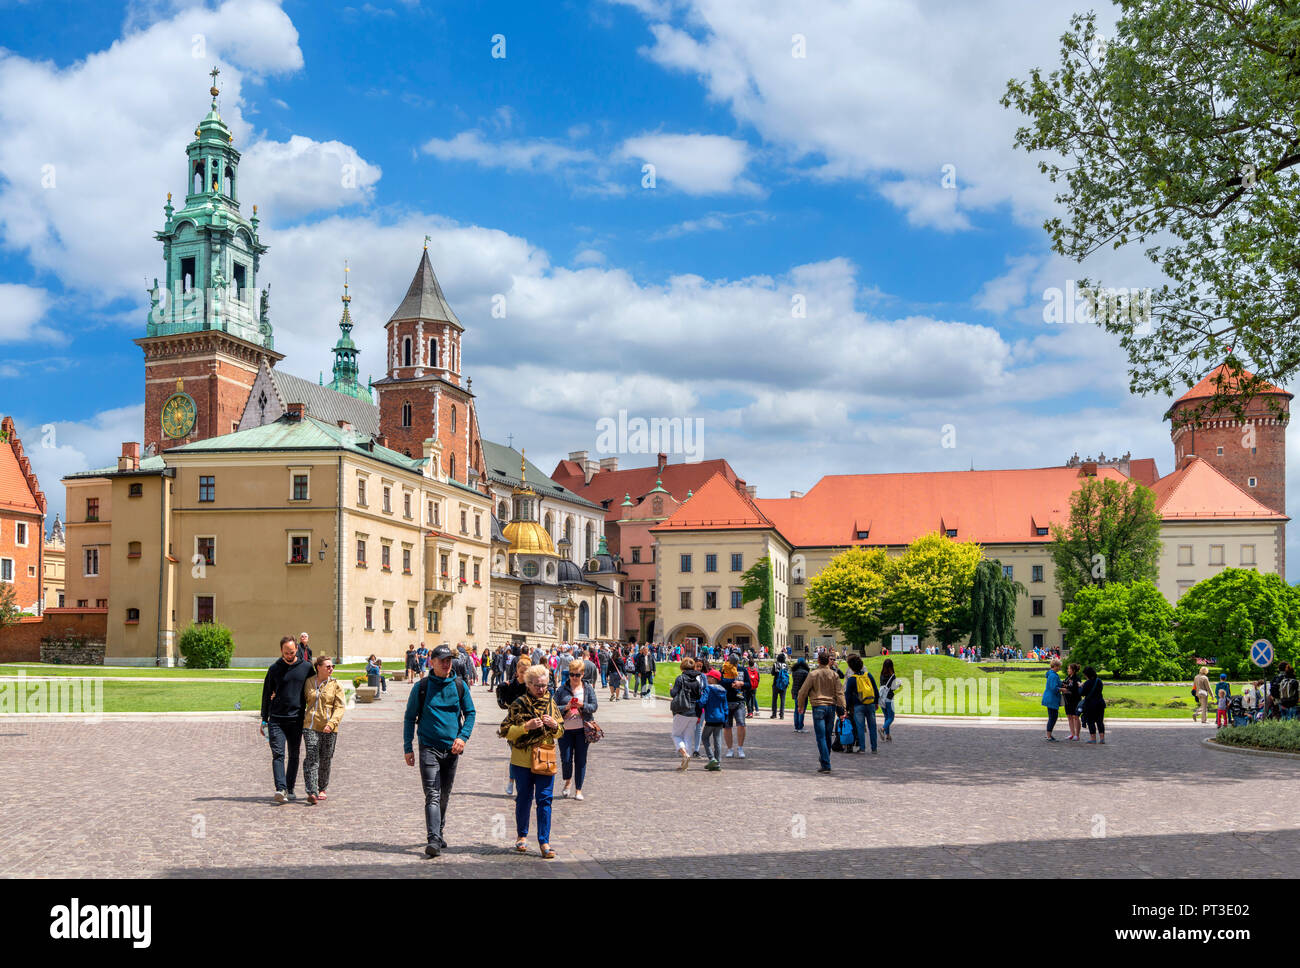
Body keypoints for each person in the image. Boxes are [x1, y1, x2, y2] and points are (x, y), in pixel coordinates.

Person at [403, 644, 475, 857]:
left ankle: (439, 831)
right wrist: (408, 747)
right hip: (428, 747)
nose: (446, 664)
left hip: (452, 750)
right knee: (432, 794)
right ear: (431, 662)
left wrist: (463, 737)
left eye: (449, 660)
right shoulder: (421, 687)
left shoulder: (460, 686)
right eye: (442, 660)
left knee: (444, 795)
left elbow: (470, 713)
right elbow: (409, 718)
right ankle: (433, 838)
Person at [499, 664, 563, 859]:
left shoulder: (551, 703)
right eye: (537, 685)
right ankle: (522, 836)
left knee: (545, 800)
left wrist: (554, 725)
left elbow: (560, 731)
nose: (541, 689)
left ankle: (544, 841)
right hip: (522, 759)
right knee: (524, 799)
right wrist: (525, 727)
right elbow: (504, 730)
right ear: (528, 684)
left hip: (545, 758)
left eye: (544, 685)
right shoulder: (518, 703)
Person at [260, 636, 318, 803]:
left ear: (296, 651)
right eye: (286, 652)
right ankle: (281, 788)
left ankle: (290, 787)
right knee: (278, 754)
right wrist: (264, 719)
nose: (289, 655)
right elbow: (266, 695)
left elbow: (313, 689)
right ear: (281, 651)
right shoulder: (274, 669)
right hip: (276, 719)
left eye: (292, 652)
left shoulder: (306, 668)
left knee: (294, 754)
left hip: (296, 719)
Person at [303, 655, 345, 805]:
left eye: (332, 666)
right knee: (312, 757)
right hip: (310, 726)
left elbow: (340, 707)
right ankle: (312, 791)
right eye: (328, 666)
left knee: (326, 759)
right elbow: (300, 700)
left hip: (329, 728)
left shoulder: (335, 685)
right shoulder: (308, 682)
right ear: (318, 667)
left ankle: (322, 788)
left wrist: (332, 723)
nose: (331, 669)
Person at [555, 659, 597, 800]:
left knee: (580, 759)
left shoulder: (587, 689)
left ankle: (578, 789)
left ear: (582, 674)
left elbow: (594, 706)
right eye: (572, 674)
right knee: (566, 759)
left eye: (577, 675)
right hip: (565, 730)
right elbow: (553, 708)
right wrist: (565, 708)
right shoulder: (562, 689)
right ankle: (568, 782)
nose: (574, 678)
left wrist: (582, 705)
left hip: (582, 730)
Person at [797, 651, 847, 773]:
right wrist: (843, 709)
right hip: (831, 706)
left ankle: (826, 763)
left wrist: (800, 705)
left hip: (818, 706)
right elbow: (839, 693)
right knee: (827, 735)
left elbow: (803, 691)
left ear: (818, 660)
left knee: (821, 737)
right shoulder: (834, 675)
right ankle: (825, 758)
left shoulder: (813, 674)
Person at [497, 655, 532, 796]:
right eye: (522, 671)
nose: (524, 674)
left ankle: (525, 782)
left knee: (528, 755)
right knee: (515, 754)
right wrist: (501, 688)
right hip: (514, 725)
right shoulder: (510, 685)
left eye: (527, 671)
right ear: (517, 671)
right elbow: (502, 703)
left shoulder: (532, 686)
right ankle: (512, 781)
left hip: (529, 724)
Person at [669, 657, 706, 769]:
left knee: (676, 734)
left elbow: (674, 693)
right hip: (694, 712)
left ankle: (684, 754)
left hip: (682, 710)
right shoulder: (697, 680)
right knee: (688, 736)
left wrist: (671, 690)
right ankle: (686, 761)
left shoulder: (680, 678)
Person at [844, 654, 880, 753]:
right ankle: (874, 748)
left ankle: (862, 748)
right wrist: (876, 702)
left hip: (858, 705)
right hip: (870, 703)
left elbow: (847, 695)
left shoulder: (852, 679)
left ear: (851, 667)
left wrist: (846, 709)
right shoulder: (868, 675)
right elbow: (875, 689)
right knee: (872, 727)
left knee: (860, 727)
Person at [698, 668, 730, 771]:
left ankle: (712, 758)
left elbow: (703, 701)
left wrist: (698, 702)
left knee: (704, 737)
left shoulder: (708, 689)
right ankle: (718, 762)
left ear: (713, 678)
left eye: (708, 677)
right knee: (718, 741)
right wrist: (725, 717)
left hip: (711, 718)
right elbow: (725, 706)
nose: (707, 678)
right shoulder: (723, 690)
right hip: (720, 718)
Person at [720, 660, 748, 758]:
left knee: (741, 724)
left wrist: (741, 683)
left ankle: (740, 748)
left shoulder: (743, 670)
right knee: (727, 726)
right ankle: (730, 749)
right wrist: (730, 684)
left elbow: (749, 685)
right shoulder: (723, 669)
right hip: (726, 701)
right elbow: (720, 683)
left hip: (739, 701)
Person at [1080, 666, 1107, 744]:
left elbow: (1082, 693)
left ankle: (1093, 738)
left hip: (1090, 704)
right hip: (1100, 703)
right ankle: (1102, 738)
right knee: (1100, 721)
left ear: (1087, 675)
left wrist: (1081, 686)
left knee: (1091, 721)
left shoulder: (1087, 683)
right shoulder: (1099, 681)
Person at [878, 658, 902, 741]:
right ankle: (883, 729)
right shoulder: (892, 675)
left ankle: (887, 735)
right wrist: (899, 685)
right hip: (889, 698)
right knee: (891, 717)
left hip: (881, 698)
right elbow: (893, 688)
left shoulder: (881, 674)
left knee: (886, 716)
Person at [1042, 656, 1063, 742]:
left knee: (1052, 717)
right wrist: (1062, 689)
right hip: (1052, 699)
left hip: (1050, 698)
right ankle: (1049, 735)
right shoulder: (1053, 676)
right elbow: (1054, 688)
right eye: (1058, 667)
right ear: (1055, 666)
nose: (1059, 668)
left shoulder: (1051, 674)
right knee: (1053, 717)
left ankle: (1049, 734)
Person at [790, 655, 811, 733]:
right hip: (803, 693)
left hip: (795, 692)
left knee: (796, 710)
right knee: (802, 709)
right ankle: (800, 726)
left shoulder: (794, 672)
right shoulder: (805, 672)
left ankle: (796, 726)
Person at [1062, 662, 1082, 741]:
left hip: (1075, 700)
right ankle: (1072, 734)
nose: (1068, 670)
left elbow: (1074, 689)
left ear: (1073, 670)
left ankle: (1077, 735)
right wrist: (1066, 687)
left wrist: (1066, 688)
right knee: (1069, 716)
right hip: (1067, 700)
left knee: (1075, 717)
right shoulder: (1068, 677)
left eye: (1069, 669)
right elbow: (1063, 685)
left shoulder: (1077, 678)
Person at [770, 653, 789, 719]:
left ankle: (774, 714)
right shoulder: (785, 665)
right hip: (783, 684)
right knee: (782, 700)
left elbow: (772, 673)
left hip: (776, 683)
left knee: (774, 700)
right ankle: (782, 715)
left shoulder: (775, 664)